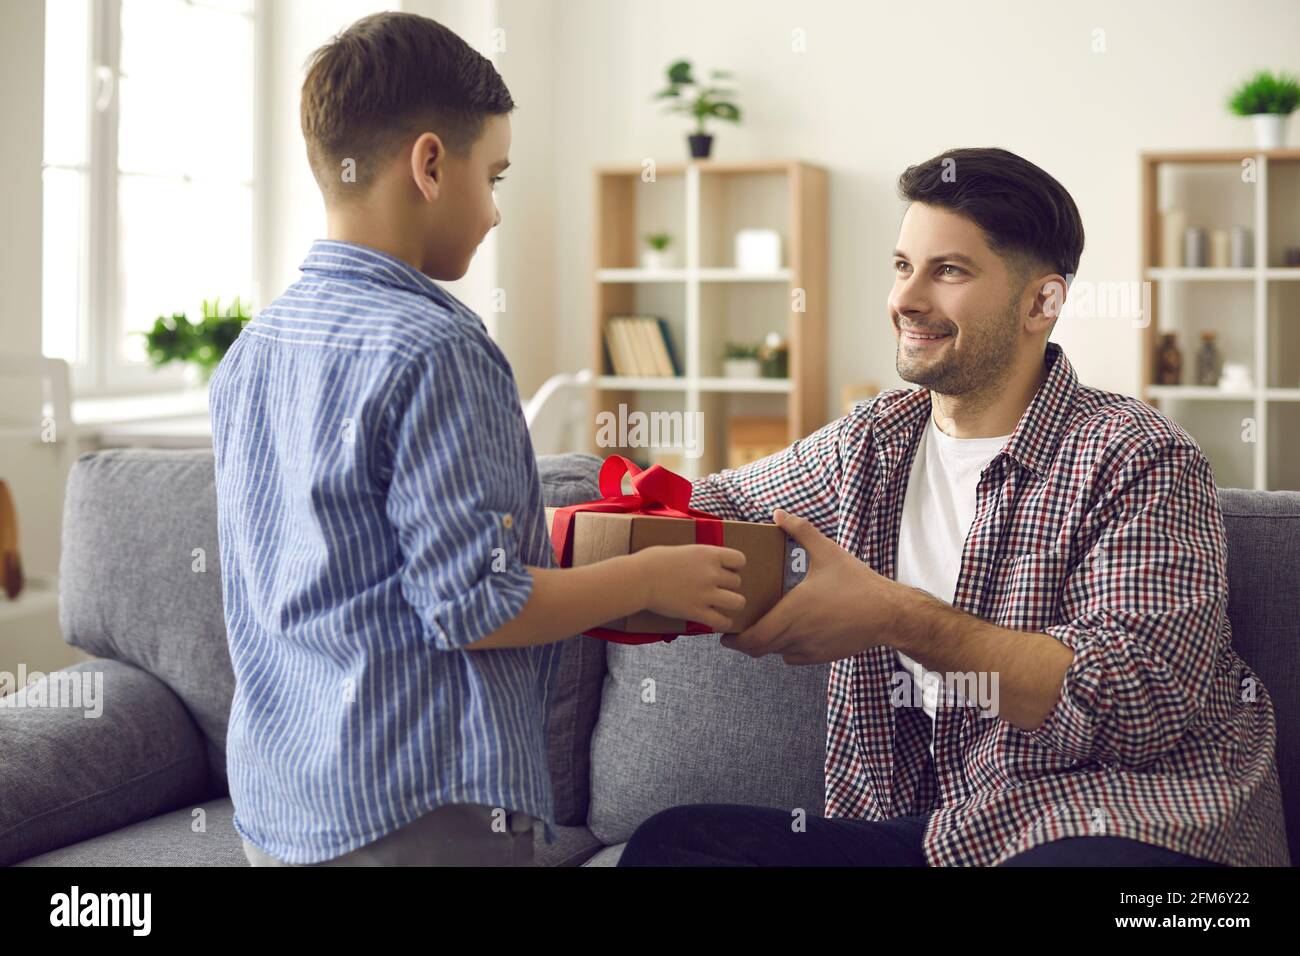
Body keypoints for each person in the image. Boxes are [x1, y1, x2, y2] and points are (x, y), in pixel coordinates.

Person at [618, 147, 1288, 867]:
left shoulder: (1137, 453)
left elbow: (1135, 703)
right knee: (676, 844)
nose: (906, 298)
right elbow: (717, 505)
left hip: (1123, 827)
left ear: (1043, 302)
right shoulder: (871, 442)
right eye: (904, 266)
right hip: (944, 835)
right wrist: (583, 533)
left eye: (949, 271)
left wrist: (891, 614)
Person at [208, 11, 745, 867]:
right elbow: (477, 604)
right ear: (429, 163)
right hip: (415, 811)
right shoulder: (440, 349)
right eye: (493, 175)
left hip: (277, 806)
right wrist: (651, 576)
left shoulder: (254, 347)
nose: (495, 212)